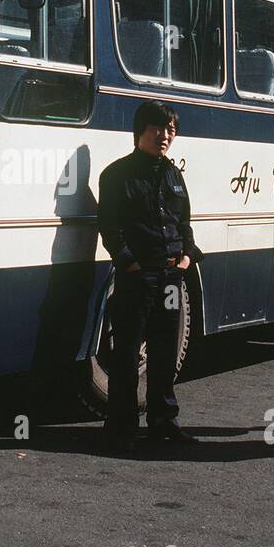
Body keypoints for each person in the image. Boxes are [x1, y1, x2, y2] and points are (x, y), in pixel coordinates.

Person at [97, 100, 203, 455]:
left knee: (164, 350)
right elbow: (110, 228)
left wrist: (188, 255)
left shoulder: (175, 174)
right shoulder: (116, 175)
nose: (165, 136)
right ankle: (121, 425)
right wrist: (129, 263)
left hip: (172, 276)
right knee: (127, 352)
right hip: (139, 277)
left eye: (170, 130)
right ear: (140, 132)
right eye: (158, 129)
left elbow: (183, 221)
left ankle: (164, 422)